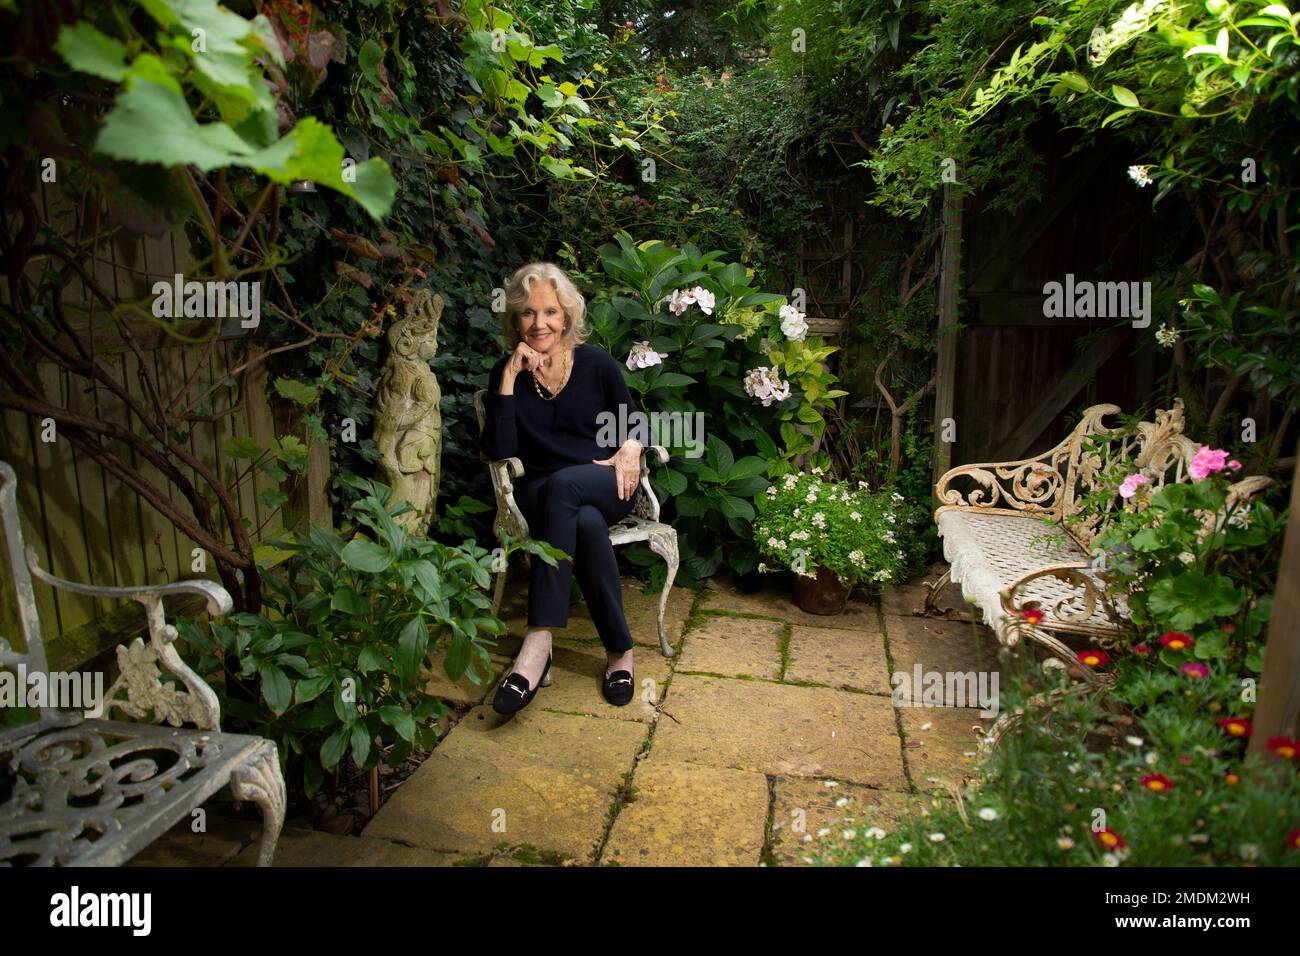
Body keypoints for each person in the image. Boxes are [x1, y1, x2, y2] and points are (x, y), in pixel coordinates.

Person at [480, 262, 650, 715]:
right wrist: (509, 380)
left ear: (567, 316)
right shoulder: (506, 372)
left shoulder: (595, 364)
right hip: (543, 495)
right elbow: (498, 449)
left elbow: (634, 419)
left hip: (604, 480)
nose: (540, 324)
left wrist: (632, 444)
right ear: (514, 319)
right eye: (528, 314)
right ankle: (620, 651)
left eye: (551, 312)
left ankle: (537, 643)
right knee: (582, 518)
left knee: (575, 493)